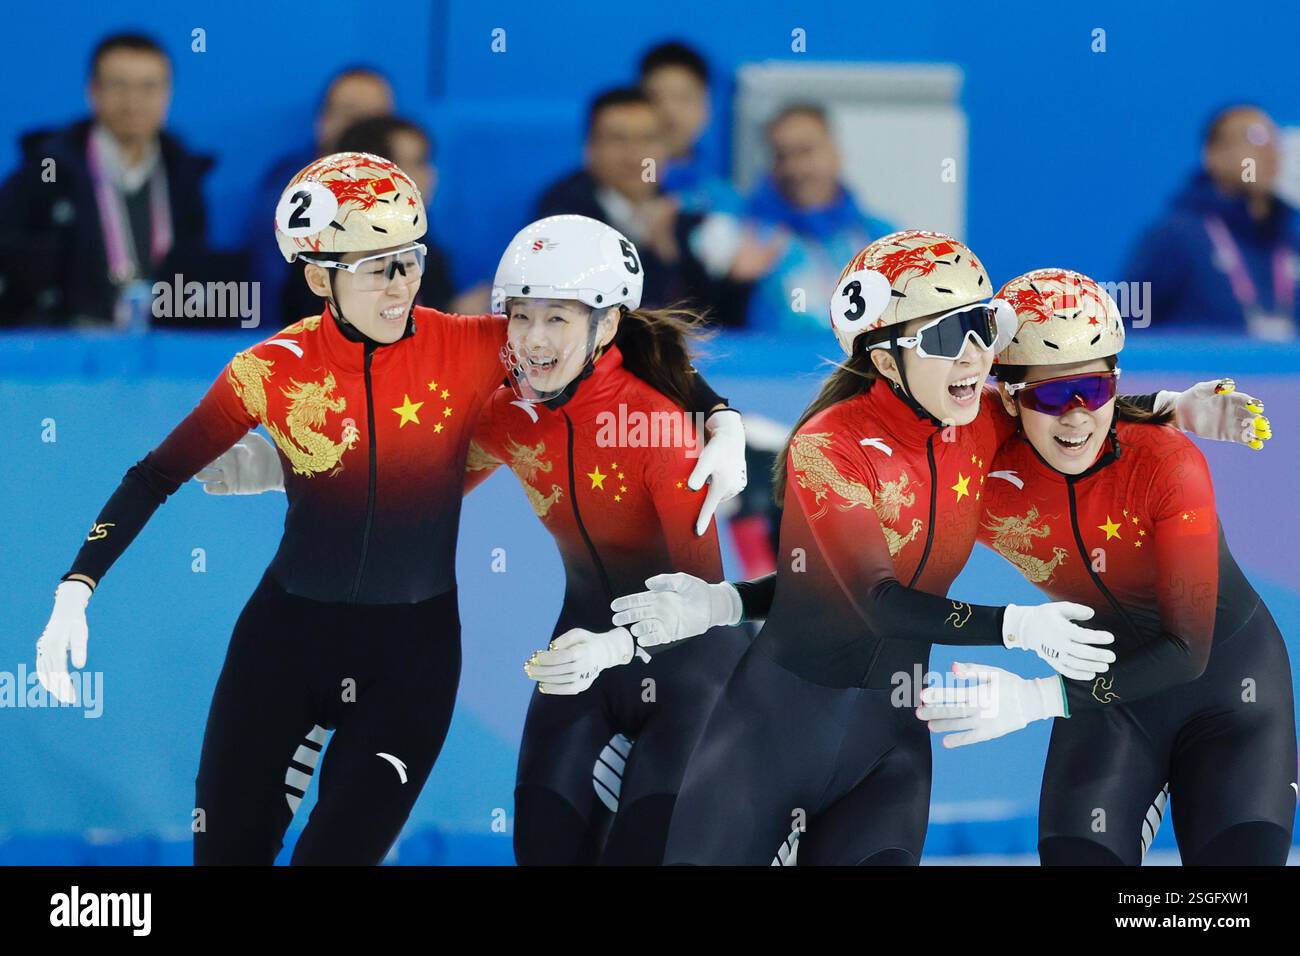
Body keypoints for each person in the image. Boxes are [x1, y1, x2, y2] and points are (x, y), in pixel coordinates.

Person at [33, 153, 746, 865]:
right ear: (319, 276)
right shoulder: (266, 373)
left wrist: (718, 416)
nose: (403, 283)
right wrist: (75, 588)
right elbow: (153, 475)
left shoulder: (474, 346)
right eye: (378, 266)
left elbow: (613, 340)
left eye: (409, 259)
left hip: (411, 658)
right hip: (283, 641)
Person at [607, 230, 1270, 865]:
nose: (976, 355)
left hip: (894, 749)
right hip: (779, 731)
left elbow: (1070, 395)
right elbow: (864, 597)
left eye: (984, 326)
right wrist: (1012, 626)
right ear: (884, 357)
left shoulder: (982, 418)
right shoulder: (834, 445)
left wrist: (1169, 406)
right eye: (950, 335)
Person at [917, 268, 1295, 866]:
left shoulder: (1168, 464)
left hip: (1227, 687)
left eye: (1093, 392)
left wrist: (1036, 699)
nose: (1074, 418)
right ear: (1007, 397)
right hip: (1108, 694)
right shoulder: (973, 448)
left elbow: (1185, 651)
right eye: (1047, 397)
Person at [470, 215, 748, 864]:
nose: (534, 340)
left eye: (558, 318)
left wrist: (617, 647)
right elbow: (415, 492)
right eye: (520, 316)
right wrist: (286, 471)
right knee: (543, 847)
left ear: (607, 325)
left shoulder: (659, 429)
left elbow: (698, 599)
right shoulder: (510, 414)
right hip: (580, 658)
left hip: (692, 674)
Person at [0, 32, 212, 327]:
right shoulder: (45, 174)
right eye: (118, 85)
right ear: (93, 91)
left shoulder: (184, 176)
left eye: (148, 87)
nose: (133, 102)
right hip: (64, 354)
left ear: (168, 93)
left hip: (161, 355)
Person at [533, 88, 719, 317]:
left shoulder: (685, 208)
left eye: (647, 139)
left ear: (664, 149)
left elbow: (706, 319)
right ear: (590, 150)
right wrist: (652, 254)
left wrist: (668, 251)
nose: (634, 155)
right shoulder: (564, 213)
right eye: (618, 139)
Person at [1125, 104, 1300, 339]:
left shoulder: (1290, 244)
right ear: (1213, 155)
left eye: (1274, 140)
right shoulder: (1176, 239)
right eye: (1255, 138)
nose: (1269, 151)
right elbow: (1122, 328)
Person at [248, 67, 395, 330]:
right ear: (323, 122)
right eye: (351, 115)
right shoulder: (290, 189)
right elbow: (269, 289)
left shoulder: (394, 188)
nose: (364, 131)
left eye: (376, 121)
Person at [741, 105, 895, 334]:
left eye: (806, 151)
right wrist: (733, 285)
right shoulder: (748, 236)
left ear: (836, 153)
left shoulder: (882, 240)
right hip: (773, 368)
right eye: (782, 156)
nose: (795, 168)